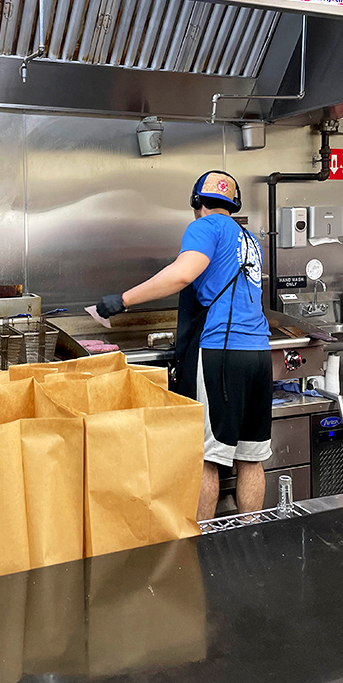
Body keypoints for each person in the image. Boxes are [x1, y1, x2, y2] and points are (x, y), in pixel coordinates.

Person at [96, 170, 272, 521]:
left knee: (206, 457)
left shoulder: (203, 227)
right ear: (232, 204)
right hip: (259, 352)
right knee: (250, 458)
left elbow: (182, 274)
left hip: (222, 353)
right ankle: (253, 537)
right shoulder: (250, 239)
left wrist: (122, 300)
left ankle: (201, 550)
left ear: (196, 205)